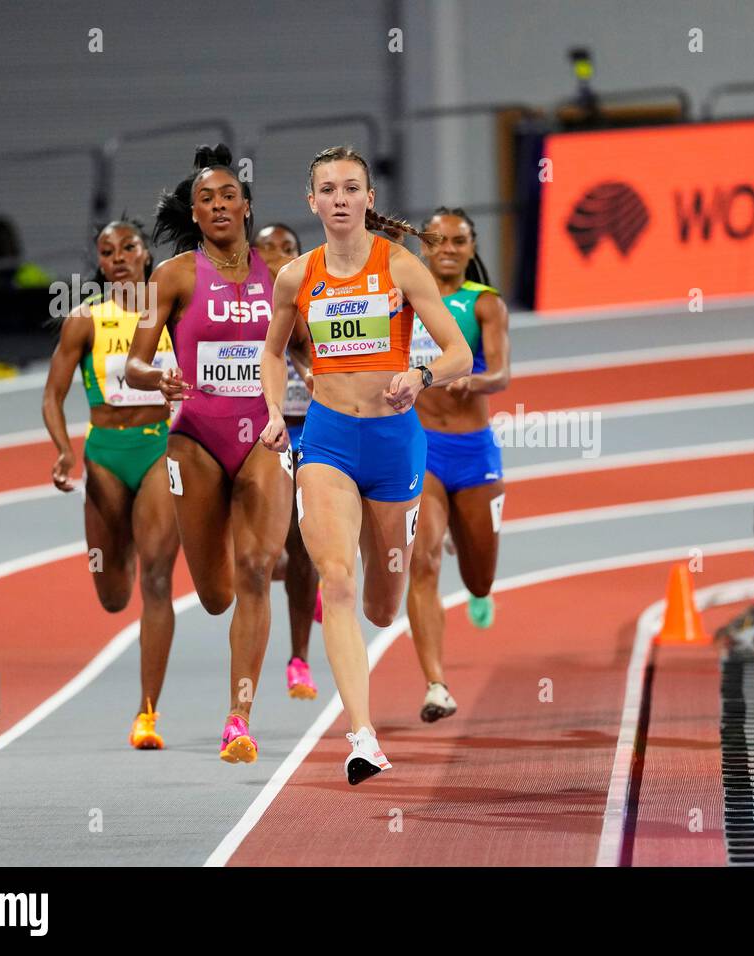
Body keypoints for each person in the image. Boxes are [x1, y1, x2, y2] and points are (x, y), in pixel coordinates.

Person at [260, 145, 472, 784]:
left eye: (353, 187)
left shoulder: (401, 267)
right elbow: (273, 354)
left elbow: (460, 354)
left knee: (383, 603)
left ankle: (389, 605)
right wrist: (275, 411)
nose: (342, 199)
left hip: (394, 444)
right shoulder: (296, 277)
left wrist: (421, 373)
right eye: (329, 189)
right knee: (336, 580)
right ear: (314, 202)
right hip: (325, 440)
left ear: (369, 199)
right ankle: (362, 735)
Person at [127, 144, 293, 764]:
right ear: (194, 214)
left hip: (262, 434)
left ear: (246, 206)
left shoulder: (280, 277)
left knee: (255, 571)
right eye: (206, 199)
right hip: (194, 436)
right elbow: (139, 359)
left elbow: (308, 350)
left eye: (228, 196)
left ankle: (238, 719)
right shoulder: (171, 276)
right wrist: (156, 378)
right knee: (216, 595)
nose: (219, 205)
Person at [40, 219, 180, 748]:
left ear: (146, 253)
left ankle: (147, 715)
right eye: (107, 250)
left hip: (157, 447)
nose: (119, 257)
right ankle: (118, 549)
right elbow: (52, 395)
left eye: (128, 247)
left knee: (159, 581)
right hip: (103, 456)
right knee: (115, 596)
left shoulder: (173, 313)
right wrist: (61, 451)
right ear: (99, 262)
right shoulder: (84, 320)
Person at [404, 207, 510, 722]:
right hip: (421, 448)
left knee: (480, 576)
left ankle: (478, 591)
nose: (447, 248)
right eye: (438, 240)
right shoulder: (405, 301)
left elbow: (503, 370)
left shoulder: (484, 304)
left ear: (472, 247)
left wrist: (477, 380)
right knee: (422, 561)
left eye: (458, 240)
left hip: (474, 452)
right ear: (423, 247)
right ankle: (436, 685)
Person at [254, 223, 318, 699]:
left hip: (308, 432)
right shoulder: (247, 306)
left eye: (289, 248)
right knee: (262, 550)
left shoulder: (313, 303)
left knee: (302, 543)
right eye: (269, 248)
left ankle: (299, 659)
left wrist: (314, 373)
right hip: (261, 434)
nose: (279, 255)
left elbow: (309, 356)